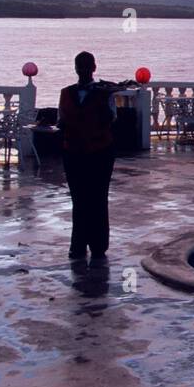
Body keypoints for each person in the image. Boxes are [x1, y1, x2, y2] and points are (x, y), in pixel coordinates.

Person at [57, 51, 117, 261]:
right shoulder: (66, 93)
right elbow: (61, 120)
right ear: (75, 68)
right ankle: (78, 245)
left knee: (98, 198)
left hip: (100, 152)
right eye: (79, 66)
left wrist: (104, 96)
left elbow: (111, 118)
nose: (82, 70)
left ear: (93, 68)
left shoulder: (104, 92)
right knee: (78, 199)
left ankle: (99, 246)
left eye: (86, 66)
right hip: (73, 153)